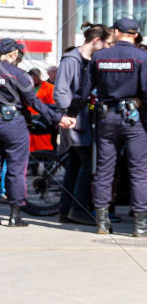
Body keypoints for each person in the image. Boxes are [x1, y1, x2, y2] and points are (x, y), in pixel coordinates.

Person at [0, 38, 65, 225]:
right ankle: (15, 215)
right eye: (19, 54)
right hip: (14, 125)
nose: (20, 57)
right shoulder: (18, 74)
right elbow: (34, 102)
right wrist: (57, 118)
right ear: (13, 54)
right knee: (16, 170)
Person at [87, 16, 147, 236]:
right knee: (139, 172)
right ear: (135, 34)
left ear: (115, 31)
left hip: (106, 118)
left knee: (104, 171)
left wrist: (71, 112)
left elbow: (85, 90)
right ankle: (140, 226)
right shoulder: (142, 57)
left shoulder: (99, 57)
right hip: (134, 119)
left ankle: (102, 223)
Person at [53, 25, 105, 225]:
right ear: (96, 40)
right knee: (87, 163)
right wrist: (69, 114)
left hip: (83, 120)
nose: (107, 48)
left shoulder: (87, 61)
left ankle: (66, 210)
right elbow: (61, 91)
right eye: (106, 43)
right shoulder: (71, 60)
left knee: (75, 165)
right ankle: (78, 208)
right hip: (75, 121)